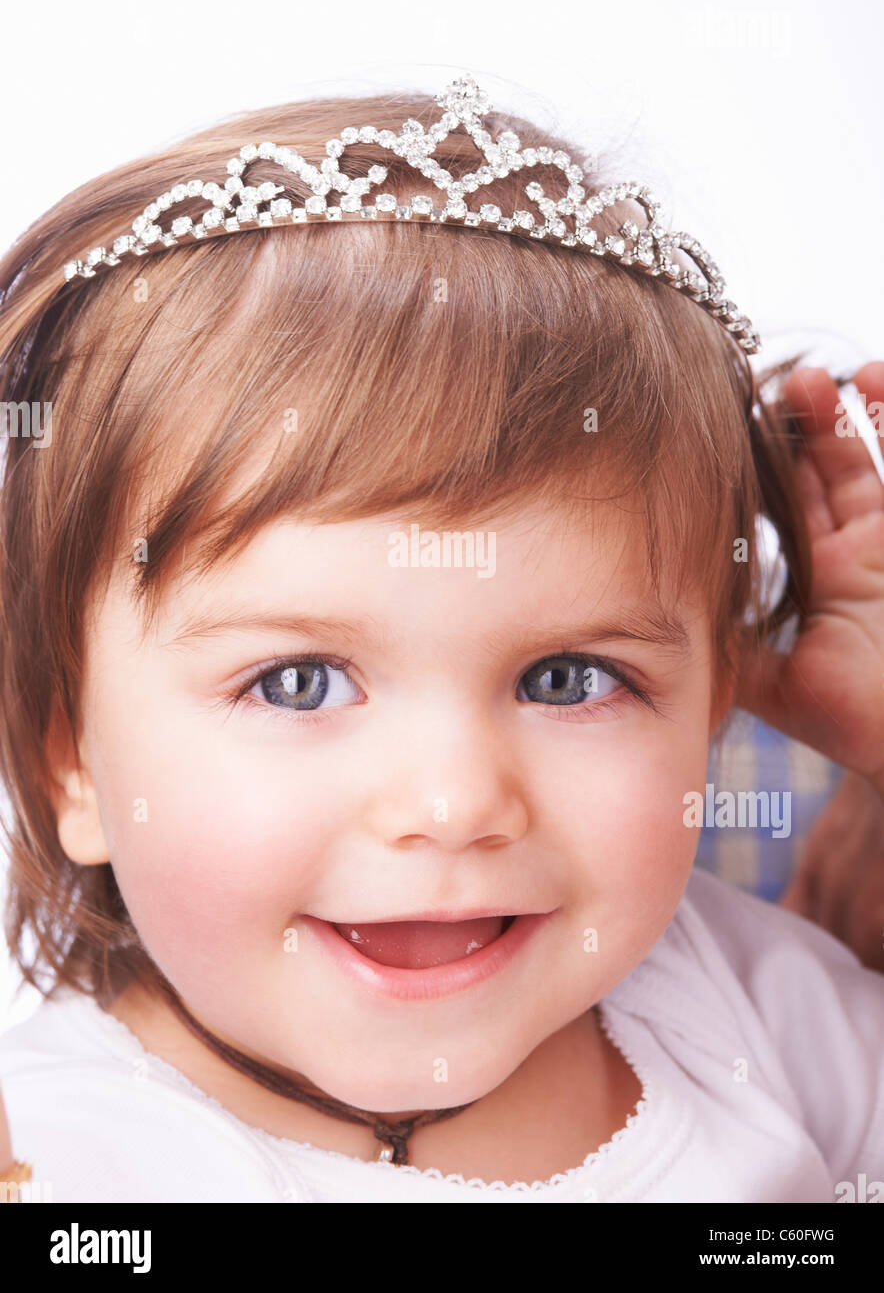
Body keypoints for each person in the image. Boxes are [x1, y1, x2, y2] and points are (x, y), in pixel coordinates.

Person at [0, 74, 882, 1203]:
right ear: (67, 756)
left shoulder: (756, 1013)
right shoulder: (63, 1161)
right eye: (299, 682)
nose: (454, 802)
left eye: (568, 678)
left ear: (713, 707)